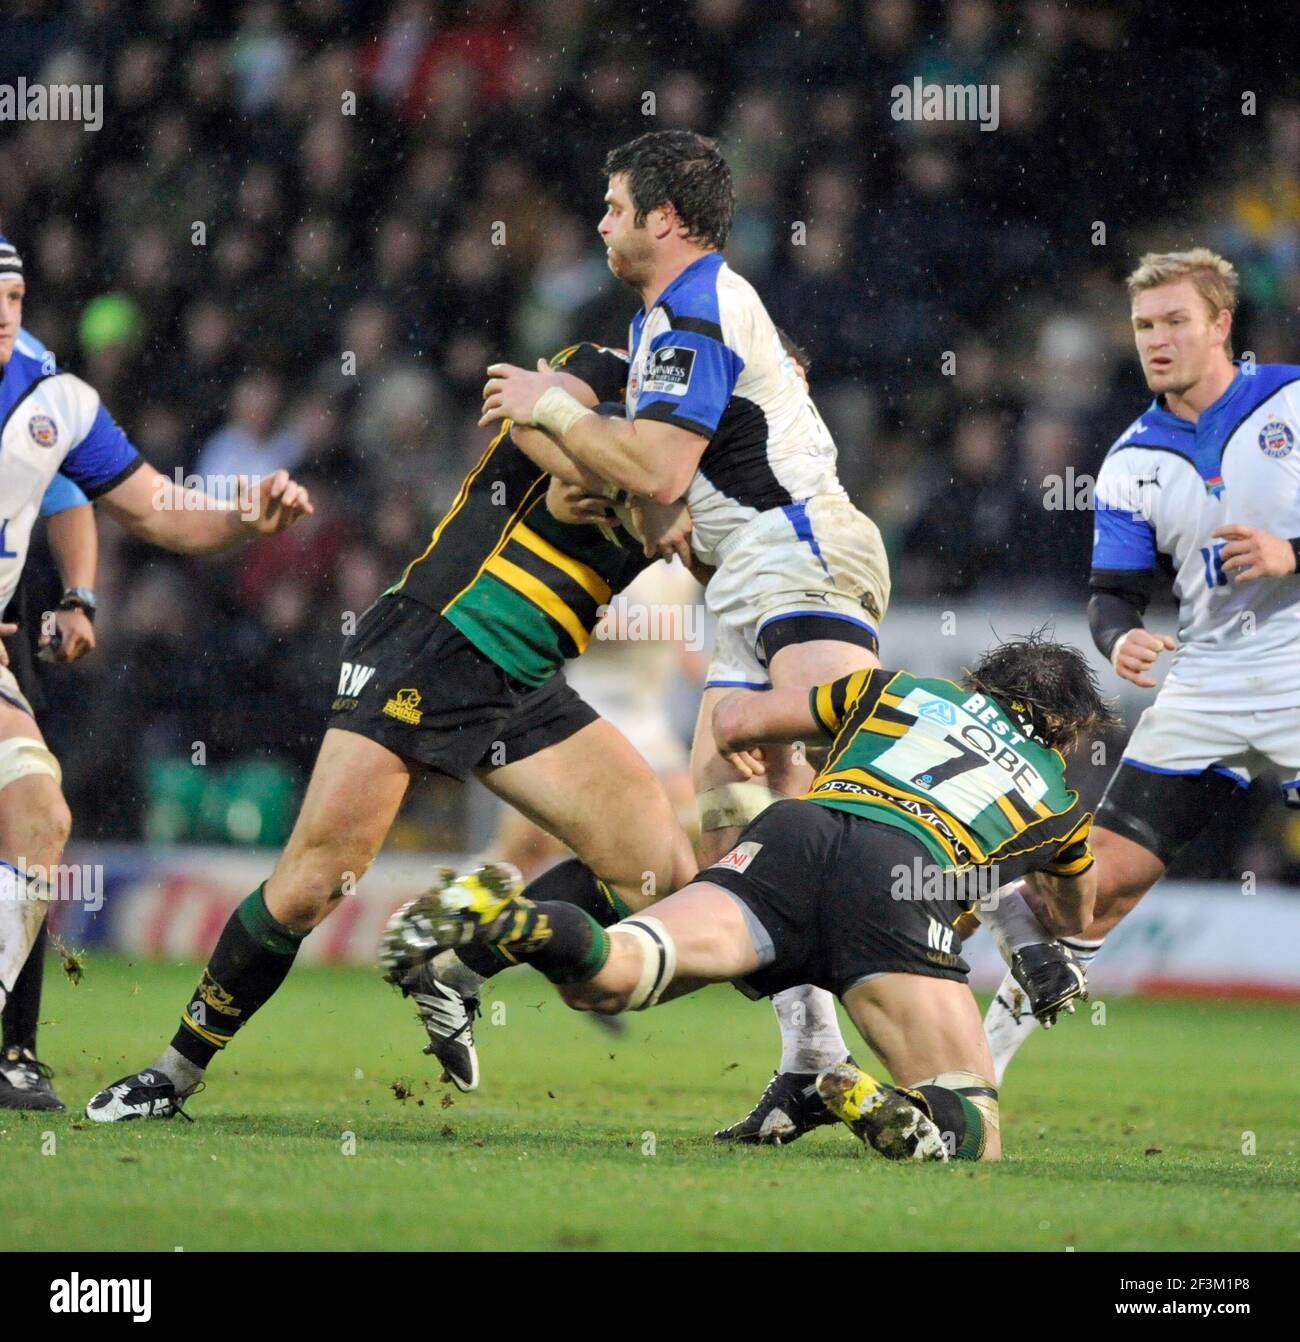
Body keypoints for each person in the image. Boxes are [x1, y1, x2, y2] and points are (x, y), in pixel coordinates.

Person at [85, 340, 698, 1121]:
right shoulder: (609, 368)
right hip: (437, 638)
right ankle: (171, 1074)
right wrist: (612, 476)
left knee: (660, 868)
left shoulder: (694, 463)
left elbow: (685, 535)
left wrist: (624, 488)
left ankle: (457, 969)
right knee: (313, 885)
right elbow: (518, 415)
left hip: (526, 675)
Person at [479, 130, 892, 1144]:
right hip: (747, 580)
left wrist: (550, 411)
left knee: (866, 767)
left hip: (802, 556)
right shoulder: (680, 313)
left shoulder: (698, 305)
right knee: (737, 828)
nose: (602, 222)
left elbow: (657, 469)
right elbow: (663, 485)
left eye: (615, 206)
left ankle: (1002, 917)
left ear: (664, 218)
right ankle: (813, 1059)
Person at [382, 635, 1114, 1162]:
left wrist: (821, 758)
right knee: (976, 1122)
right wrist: (1038, 941)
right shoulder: (1059, 804)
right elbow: (1075, 916)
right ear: (1067, 728)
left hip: (795, 833)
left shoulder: (898, 690)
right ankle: (897, 1107)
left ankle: (513, 920)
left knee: (618, 974)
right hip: (901, 888)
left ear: (981, 683)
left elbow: (738, 724)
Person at [0, 233, 313, 1109]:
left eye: (16, 298)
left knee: (36, 811)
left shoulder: (48, 394)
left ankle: (11, 1050)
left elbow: (156, 508)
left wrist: (244, 517)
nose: (4, 315)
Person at [981, 248, 1300, 1081]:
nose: (1156, 340)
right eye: (1144, 325)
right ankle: (972, 1079)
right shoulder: (1129, 460)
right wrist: (1117, 637)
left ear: (1221, 323)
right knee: (1091, 891)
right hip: (1209, 687)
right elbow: (1111, 593)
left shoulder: (1292, 401)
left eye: (1175, 322)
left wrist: (1289, 552)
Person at [0, 470, 97, 1109]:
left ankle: (15, 1052)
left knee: (34, 821)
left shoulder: (33, 394)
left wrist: (78, 595)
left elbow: (73, 493)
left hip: (10, 636)